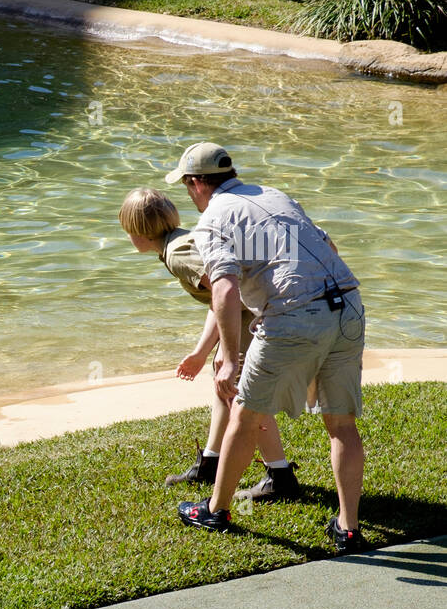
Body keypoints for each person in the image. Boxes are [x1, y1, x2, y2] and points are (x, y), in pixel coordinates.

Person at [165, 143, 366, 553]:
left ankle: (215, 511)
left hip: (294, 317)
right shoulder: (273, 194)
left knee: (245, 411)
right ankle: (348, 527)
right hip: (348, 304)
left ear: (198, 183)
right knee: (342, 423)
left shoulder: (213, 220)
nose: (188, 193)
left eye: (187, 184)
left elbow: (224, 288)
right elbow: (330, 249)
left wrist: (228, 359)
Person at [118, 187, 300, 500]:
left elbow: (226, 291)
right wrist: (204, 352)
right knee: (224, 385)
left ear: (137, 232)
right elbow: (219, 298)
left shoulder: (178, 255)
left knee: (245, 396)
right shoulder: (182, 239)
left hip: (262, 310)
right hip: (255, 308)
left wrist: (216, 352)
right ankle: (211, 463)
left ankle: (279, 476)